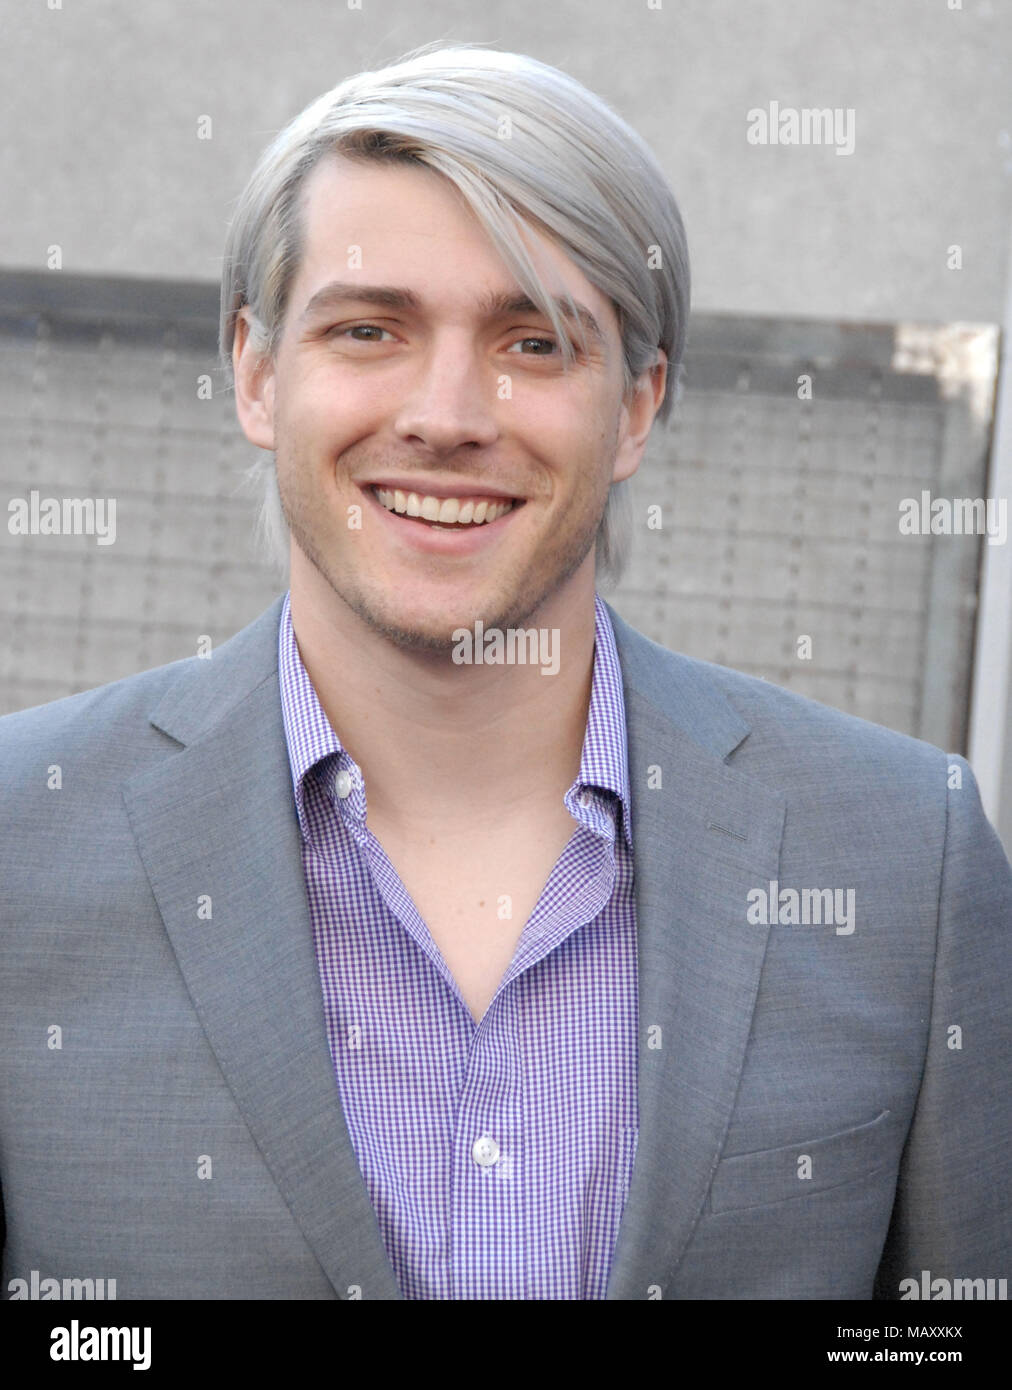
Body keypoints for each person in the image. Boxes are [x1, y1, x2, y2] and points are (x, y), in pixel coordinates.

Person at [1, 42, 1009, 1302]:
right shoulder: (17, 837)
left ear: (637, 406)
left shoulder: (906, 860)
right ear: (258, 373)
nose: (447, 411)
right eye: (369, 328)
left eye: (534, 343)